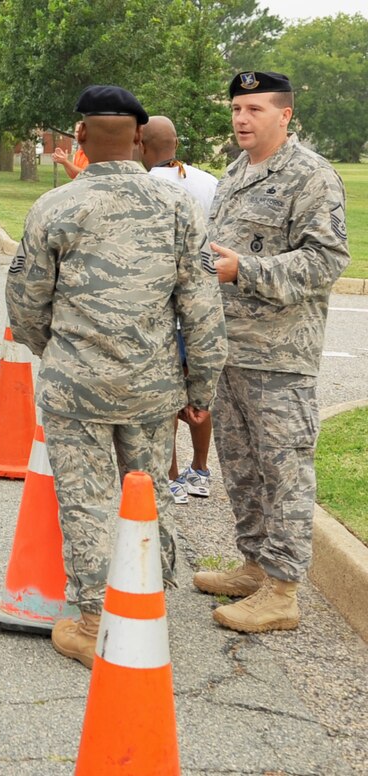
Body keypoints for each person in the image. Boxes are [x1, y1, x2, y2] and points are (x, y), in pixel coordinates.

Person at [6, 85, 227, 669]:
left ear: (79, 137)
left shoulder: (53, 207)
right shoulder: (181, 207)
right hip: (152, 387)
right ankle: (145, 603)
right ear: (137, 138)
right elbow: (201, 304)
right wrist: (200, 387)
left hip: (75, 386)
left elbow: (25, 301)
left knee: (86, 501)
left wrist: (55, 351)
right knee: (148, 493)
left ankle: (94, 622)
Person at [193, 71, 350, 633]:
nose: (241, 118)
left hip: (279, 356)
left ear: (285, 115)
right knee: (240, 466)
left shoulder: (310, 176)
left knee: (284, 470)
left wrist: (246, 270)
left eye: (255, 108)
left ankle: (282, 592)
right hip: (229, 349)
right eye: (236, 107)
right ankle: (255, 566)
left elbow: (327, 260)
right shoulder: (236, 173)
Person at [138, 115, 220, 505]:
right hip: (201, 303)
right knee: (199, 395)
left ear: (142, 143)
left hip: (162, 308)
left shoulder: (143, 185)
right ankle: (201, 471)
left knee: (167, 396)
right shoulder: (207, 182)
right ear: (175, 142)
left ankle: (171, 477)